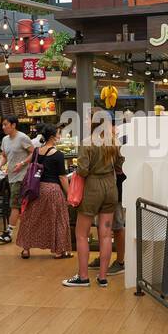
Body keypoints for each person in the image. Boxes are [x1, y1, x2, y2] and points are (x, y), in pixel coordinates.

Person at [64, 112, 123, 288]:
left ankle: (83, 277)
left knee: (81, 234)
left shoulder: (88, 142)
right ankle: (103, 277)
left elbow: (82, 170)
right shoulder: (114, 142)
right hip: (110, 187)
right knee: (105, 234)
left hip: (92, 187)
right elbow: (120, 167)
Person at [14, 124, 71, 260]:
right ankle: (58, 251)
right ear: (52, 137)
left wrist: (21, 163)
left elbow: (30, 162)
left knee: (30, 218)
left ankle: (26, 249)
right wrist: (69, 194)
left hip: (36, 189)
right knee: (58, 219)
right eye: (58, 134)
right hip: (53, 190)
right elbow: (62, 177)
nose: (60, 136)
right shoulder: (58, 155)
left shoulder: (37, 151)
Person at [0, 115, 33, 244]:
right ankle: (26, 230)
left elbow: (33, 153)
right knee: (19, 205)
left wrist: (22, 163)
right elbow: (4, 155)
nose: (3, 127)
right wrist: (0, 163)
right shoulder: (5, 139)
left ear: (13, 125)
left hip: (22, 176)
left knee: (14, 204)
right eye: (3, 125)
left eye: (6, 124)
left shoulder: (22, 137)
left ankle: (8, 233)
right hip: (11, 176)